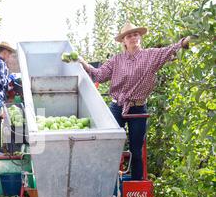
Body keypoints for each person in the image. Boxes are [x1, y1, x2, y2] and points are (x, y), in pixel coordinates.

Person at [78, 22, 191, 180]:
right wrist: (83, 63)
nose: (132, 38)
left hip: (138, 108)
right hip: (117, 106)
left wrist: (184, 42)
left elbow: (169, 50)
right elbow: (99, 75)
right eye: (129, 36)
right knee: (109, 145)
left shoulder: (151, 56)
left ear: (140, 37)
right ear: (123, 41)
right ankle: (105, 181)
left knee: (136, 150)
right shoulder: (116, 60)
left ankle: (136, 187)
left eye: (135, 34)